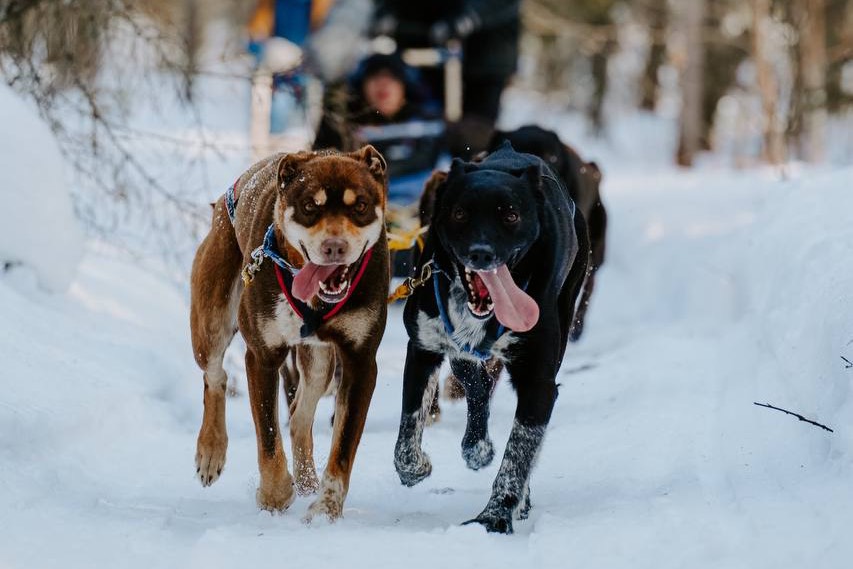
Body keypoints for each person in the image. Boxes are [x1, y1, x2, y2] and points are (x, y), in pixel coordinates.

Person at [370, 0, 522, 157]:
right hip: (425, 55)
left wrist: (469, 17)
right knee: (423, 132)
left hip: (486, 61)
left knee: (473, 139)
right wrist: (386, 10)